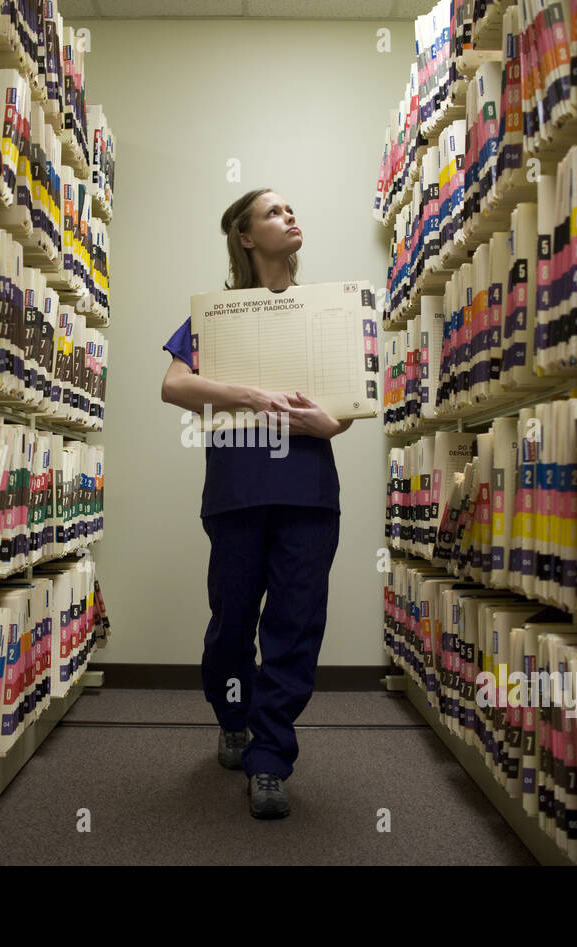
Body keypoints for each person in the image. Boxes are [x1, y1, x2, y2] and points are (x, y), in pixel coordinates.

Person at [159, 188, 351, 820]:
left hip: (308, 489)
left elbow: (347, 403)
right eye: (273, 212)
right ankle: (233, 716)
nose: (289, 216)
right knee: (233, 622)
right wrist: (248, 394)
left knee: (295, 627)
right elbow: (175, 386)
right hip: (239, 490)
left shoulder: (325, 313)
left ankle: (271, 758)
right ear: (245, 237)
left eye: (293, 208)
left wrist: (332, 425)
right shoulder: (217, 318)